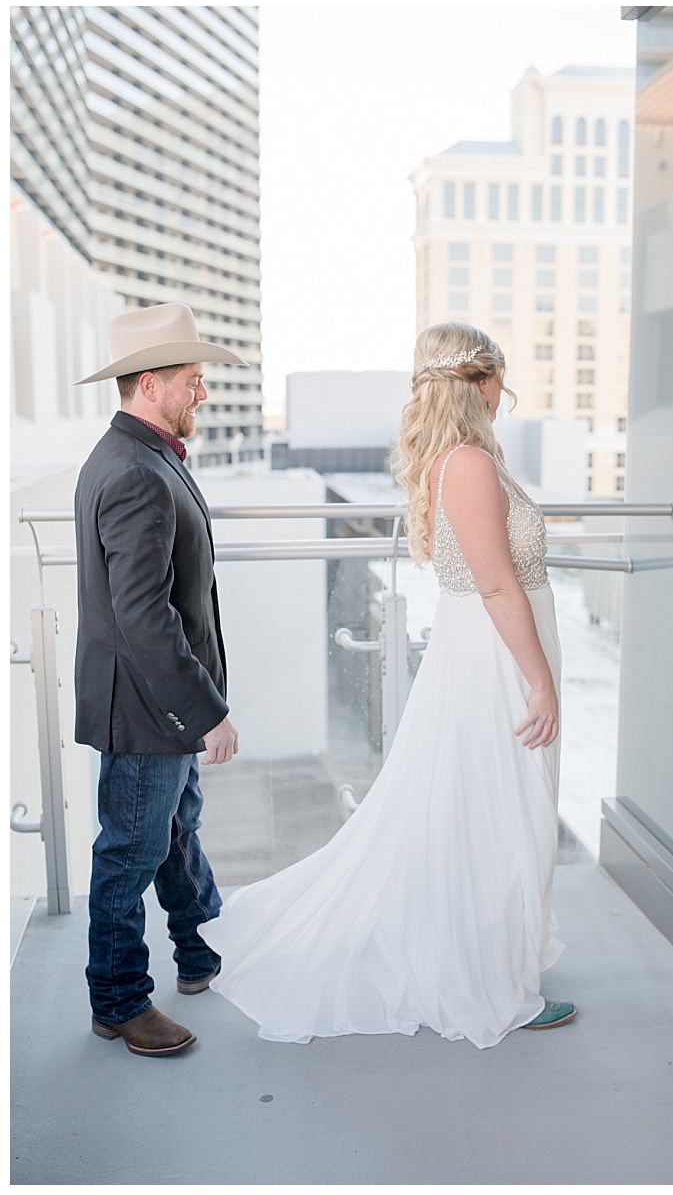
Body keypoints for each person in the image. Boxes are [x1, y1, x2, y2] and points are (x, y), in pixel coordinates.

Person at [197, 322, 574, 1048]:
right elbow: (497, 586)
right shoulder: (465, 462)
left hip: (490, 651)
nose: (505, 392)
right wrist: (541, 680)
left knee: (491, 811)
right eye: (498, 377)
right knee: (501, 817)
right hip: (496, 659)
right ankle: (494, 987)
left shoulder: (464, 456)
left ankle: (495, 962)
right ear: (477, 381)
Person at [72, 302, 246, 1056]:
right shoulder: (136, 473)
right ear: (150, 383)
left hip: (156, 709)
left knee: (175, 832)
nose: (201, 394)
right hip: (149, 711)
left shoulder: (143, 456)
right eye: (193, 381)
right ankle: (117, 1000)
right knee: (130, 853)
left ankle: (201, 952)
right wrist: (207, 711)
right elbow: (145, 618)